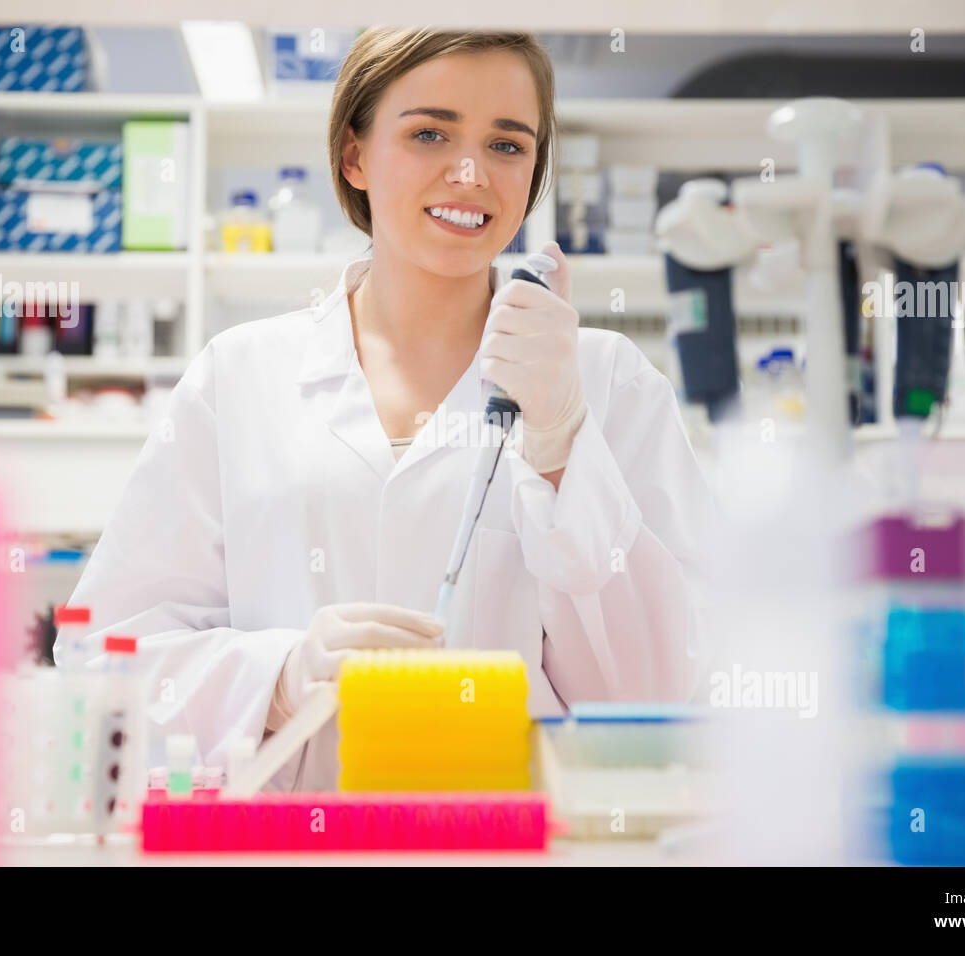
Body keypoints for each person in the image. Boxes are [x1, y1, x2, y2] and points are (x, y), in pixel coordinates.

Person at [57, 28, 712, 791]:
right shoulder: (238, 377)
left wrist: (565, 447)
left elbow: (661, 693)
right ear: (354, 155)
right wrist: (279, 674)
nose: (470, 173)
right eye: (429, 132)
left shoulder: (609, 384)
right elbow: (101, 661)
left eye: (507, 145)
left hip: (515, 839)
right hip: (290, 841)